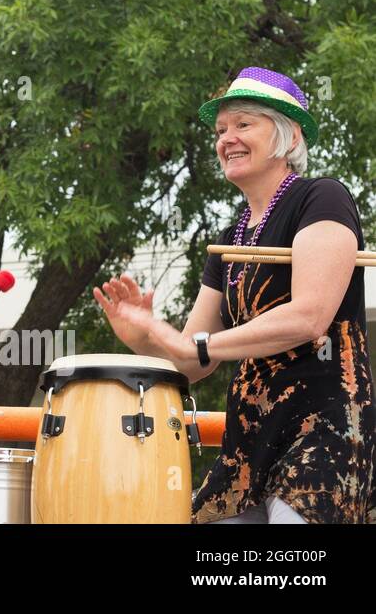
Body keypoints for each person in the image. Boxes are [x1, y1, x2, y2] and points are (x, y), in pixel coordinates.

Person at [95, 67, 373, 524]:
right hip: (250, 438)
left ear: (288, 134)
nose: (227, 139)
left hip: (323, 432)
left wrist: (194, 344)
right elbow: (190, 362)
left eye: (244, 124)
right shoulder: (232, 237)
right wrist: (146, 339)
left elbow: (308, 318)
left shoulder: (323, 198)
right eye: (222, 130)